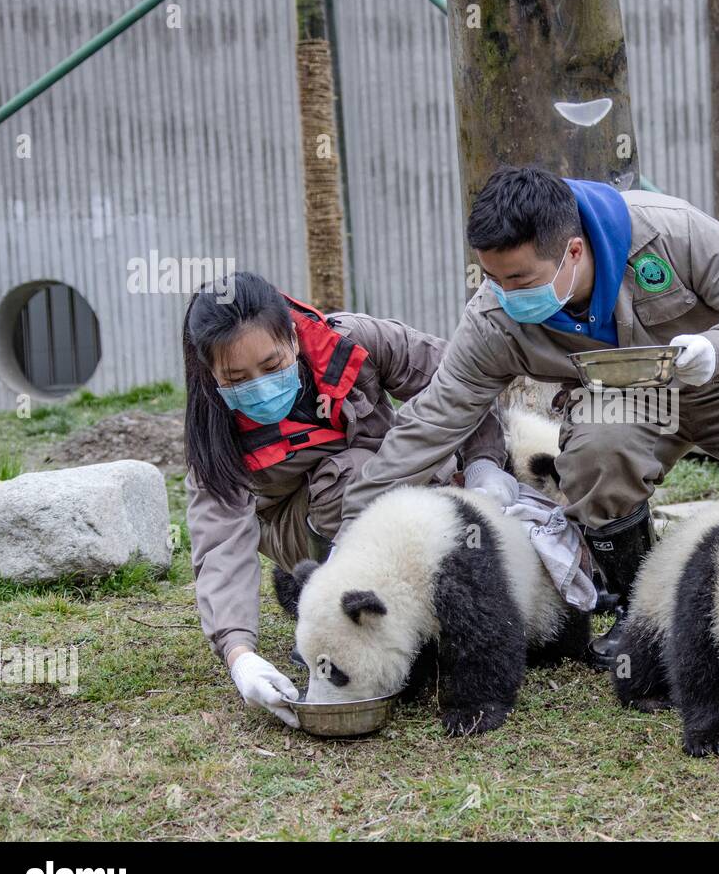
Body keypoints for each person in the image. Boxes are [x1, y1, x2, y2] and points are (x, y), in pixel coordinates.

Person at [338, 166, 719, 671]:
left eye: (518, 279)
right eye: (492, 278)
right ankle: (641, 607)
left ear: (573, 252)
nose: (505, 293)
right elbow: (434, 418)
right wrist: (351, 528)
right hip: (627, 398)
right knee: (597, 452)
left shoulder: (668, 231)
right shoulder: (494, 319)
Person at [182, 272, 509, 726]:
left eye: (272, 364)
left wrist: (483, 462)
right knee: (350, 478)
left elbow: (458, 378)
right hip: (307, 524)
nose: (258, 384)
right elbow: (221, 544)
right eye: (236, 378)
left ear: (294, 338)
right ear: (210, 372)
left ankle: (417, 622)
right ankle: (350, 619)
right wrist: (240, 654)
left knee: (373, 478)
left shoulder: (353, 344)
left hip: (400, 491)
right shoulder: (212, 429)